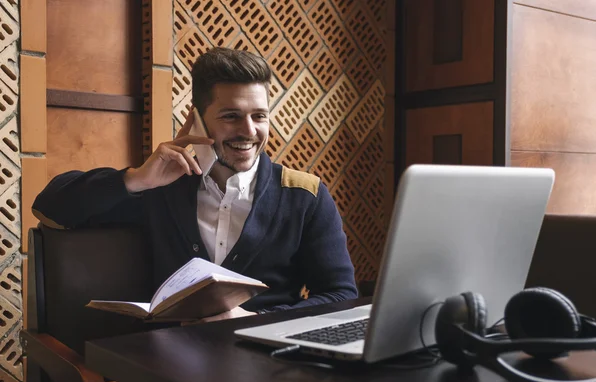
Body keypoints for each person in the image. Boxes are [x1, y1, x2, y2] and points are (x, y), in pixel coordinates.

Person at [32, 47, 358, 323]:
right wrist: (137, 179)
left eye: (259, 116)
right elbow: (50, 206)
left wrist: (256, 322)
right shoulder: (161, 191)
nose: (249, 131)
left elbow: (341, 296)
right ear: (197, 120)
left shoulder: (305, 197)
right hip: (172, 370)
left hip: (268, 368)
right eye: (231, 116)